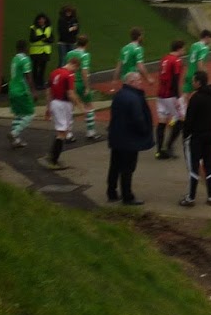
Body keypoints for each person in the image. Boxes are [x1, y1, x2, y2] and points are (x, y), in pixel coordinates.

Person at [105, 71, 154, 205]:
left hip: (117, 136)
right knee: (127, 168)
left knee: (115, 165)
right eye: (138, 81)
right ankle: (128, 196)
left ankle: (112, 192)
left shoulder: (119, 95)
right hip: (129, 139)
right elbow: (138, 118)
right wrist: (144, 130)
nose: (141, 83)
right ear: (132, 82)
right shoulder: (134, 98)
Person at [179, 69, 211, 207]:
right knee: (209, 165)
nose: (192, 83)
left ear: (198, 82)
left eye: (194, 81)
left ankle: (191, 197)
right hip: (210, 134)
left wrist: (185, 135)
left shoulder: (196, 98)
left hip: (197, 136)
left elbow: (190, 120)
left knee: (194, 166)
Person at [46, 54, 84, 168]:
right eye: (76, 68)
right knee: (62, 132)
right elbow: (70, 93)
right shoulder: (69, 75)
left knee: (61, 130)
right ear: (74, 65)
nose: (75, 71)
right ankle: (54, 160)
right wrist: (80, 106)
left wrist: (48, 108)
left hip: (54, 102)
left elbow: (48, 92)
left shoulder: (54, 72)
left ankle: (52, 154)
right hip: (63, 104)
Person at [153, 39, 186, 158]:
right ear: (179, 48)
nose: (184, 50)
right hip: (171, 95)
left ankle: (159, 150)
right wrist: (177, 97)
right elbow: (176, 79)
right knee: (181, 119)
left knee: (162, 121)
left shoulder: (164, 58)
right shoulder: (176, 61)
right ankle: (169, 146)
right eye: (183, 48)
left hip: (160, 94)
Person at [65, 34, 98, 141]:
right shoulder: (85, 55)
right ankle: (90, 131)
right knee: (89, 106)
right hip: (80, 84)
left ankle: (68, 133)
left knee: (70, 108)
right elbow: (84, 72)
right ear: (86, 44)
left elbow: (67, 68)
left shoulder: (69, 54)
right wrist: (87, 87)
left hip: (70, 83)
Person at [6, 39, 35, 149]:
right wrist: (33, 91)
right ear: (25, 48)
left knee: (18, 114)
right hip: (22, 91)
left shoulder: (15, 58)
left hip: (12, 90)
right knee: (30, 114)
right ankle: (14, 133)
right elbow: (28, 76)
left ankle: (15, 140)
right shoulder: (25, 59)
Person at [27, 12, 54, 94]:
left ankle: (41, 83)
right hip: (35, 51)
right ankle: (34, 83)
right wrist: (42, 37)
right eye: (40, 19)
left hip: (45, 51)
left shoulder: (49, 28)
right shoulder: (34, 28)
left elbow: (52, 39)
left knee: (42, 68)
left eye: (43, 19)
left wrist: (46, 40)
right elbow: (32, 39)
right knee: (35, 68)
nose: (41, 20)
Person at [183, 29, 211, 102]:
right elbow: (200, 61)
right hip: (196, 75)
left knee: (186, 95)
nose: (210, 41)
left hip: (189, 72)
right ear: (207, 37)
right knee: (201, 94)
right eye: (210, 38)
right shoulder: (204, 48)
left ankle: (184, 110)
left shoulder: (194, 45)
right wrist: (201, 74)